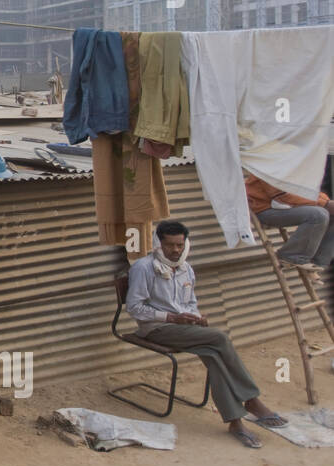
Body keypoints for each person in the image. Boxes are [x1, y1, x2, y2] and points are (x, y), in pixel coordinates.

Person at [125, 220, 287, 449]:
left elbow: (190, 303)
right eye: (170, 245)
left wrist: (196, 318)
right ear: (158, 244)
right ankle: (251, 400)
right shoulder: (144, 267)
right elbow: (134, 307)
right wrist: (172, 318)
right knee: (219, 338)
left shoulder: (185, 268)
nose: (175, 250)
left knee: (212, 353)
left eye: (180, 245)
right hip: (155, 329)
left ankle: (235, 422)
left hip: (183, 329)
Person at [245, 173, 332, 278]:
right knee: (318, 215)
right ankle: (290, 255)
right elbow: (282, 195)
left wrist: (326, 202)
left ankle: (317, 262)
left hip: (282, 207)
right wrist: (325, 203)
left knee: (329, 213)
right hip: (265, 211)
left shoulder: (294, 166)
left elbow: (307, 189)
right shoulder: (271, 166)